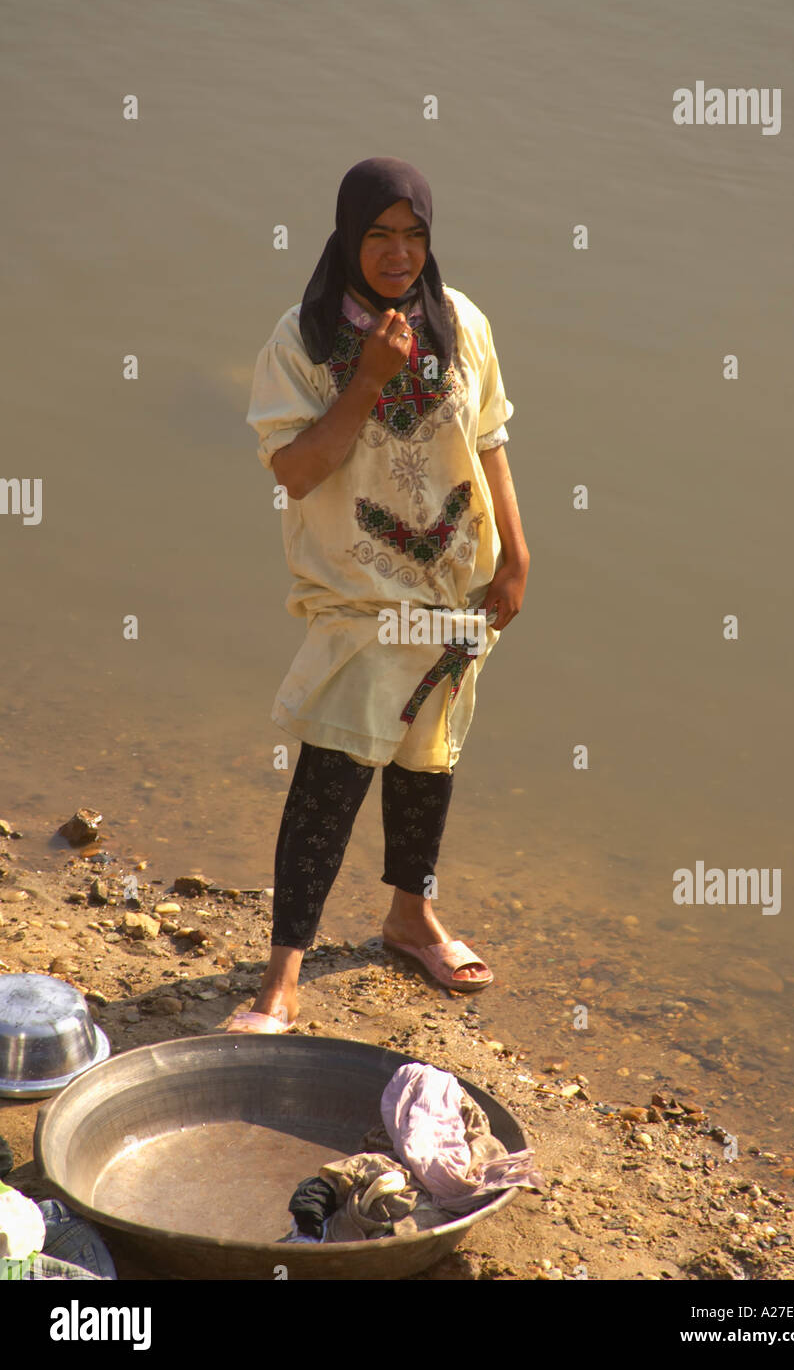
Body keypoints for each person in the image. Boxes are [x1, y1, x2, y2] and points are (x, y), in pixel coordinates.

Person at [232, 156, 529, 1033]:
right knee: (332, 769)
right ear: (346, 236)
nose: (397, 253)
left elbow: (490, 438)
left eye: (413, 235)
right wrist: (363, 379)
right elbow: (292, 470)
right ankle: (280, 977)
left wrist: (515, 553)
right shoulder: (302, 339)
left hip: (449, 582)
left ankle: (409, 916)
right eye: (378, 235)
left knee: (427, 760)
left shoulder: (460, 321)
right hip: (357, 589)